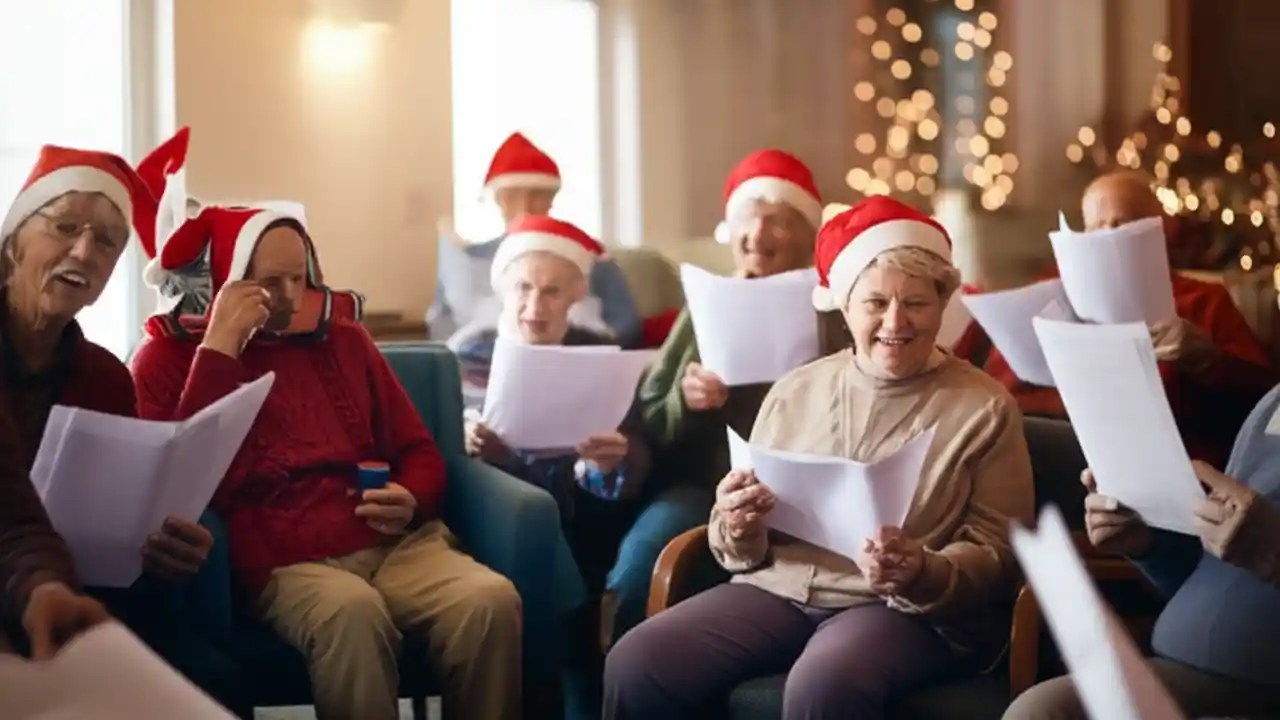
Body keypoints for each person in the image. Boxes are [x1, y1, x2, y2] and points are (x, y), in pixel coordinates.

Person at [604, 196, 1036, 719]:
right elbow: (734, 541)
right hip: (778, 589)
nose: (895, 321)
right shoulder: (795, 389)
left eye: (916, 303)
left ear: (943, 304)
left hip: (901, 608)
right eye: (875, 303)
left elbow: (999, 552)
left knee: (823, 685)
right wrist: (738, 526)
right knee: (637, 660)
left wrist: (923, 570)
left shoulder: (985, 406)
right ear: (845, 307)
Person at [130, 187, 521, 720]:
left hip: (397, 546)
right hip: (283, 562)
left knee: (490, 601)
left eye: (302, 277)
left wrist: (412, 495)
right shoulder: (164, 357)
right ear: (226, 283)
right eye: (271, 282)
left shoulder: (344, 340)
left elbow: (418, 450)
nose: (291, 295)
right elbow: (177, 482)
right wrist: (219, 347)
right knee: (351, 614)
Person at [0, 140, 247, 711]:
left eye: (107, 243)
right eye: (64, 227)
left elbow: (122, 516)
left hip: (68, 591)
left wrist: (163, 543)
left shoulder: (108, 378)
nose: (84, 252)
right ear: (14, 242)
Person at [620, 149, 840, 641]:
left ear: (808, 236)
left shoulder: (836, 312)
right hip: (703, 486)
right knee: (640, 568)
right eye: (748, 220)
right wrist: (687, 399)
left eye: (779, 222)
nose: (758, 235)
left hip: (813, 493)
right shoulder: (706, 303)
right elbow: (650, 417)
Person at [456, 214, 651, 719]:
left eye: (551, 292)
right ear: (503, 289)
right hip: (483, 525)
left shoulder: (597, 352)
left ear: (575, 297)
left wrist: (610, 462)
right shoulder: (465, 354)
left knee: (574, 576)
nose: (534, 306)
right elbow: (429, 449)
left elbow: (634, 461)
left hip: (581, 523)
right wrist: (466, 438)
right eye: (523, 288)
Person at [955, 171, 1276, 474]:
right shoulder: (1057, 292)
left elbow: (1264, 409)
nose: (1108, 236)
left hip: (1167, 459)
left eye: (1122, 223)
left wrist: (1208, 360)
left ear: (1161, 228)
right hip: (1073, 445)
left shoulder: (1204, 301)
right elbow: (1000, 392)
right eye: (1096, 228)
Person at [1002, 394, 1280, 718]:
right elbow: (1214, 576)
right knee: (1043, 710)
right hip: (1194, 671)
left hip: (1255, 687)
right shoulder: (1271, 403)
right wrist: (1147, 543)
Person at [429, 131, 642, 347]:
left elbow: (625, 323)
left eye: (537, 196)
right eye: (513, 196)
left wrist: (591, 347)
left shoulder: (590, 258)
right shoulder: (469, 260)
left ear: (551, 200)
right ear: (498, 200)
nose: (525, 206)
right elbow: (440, 323)